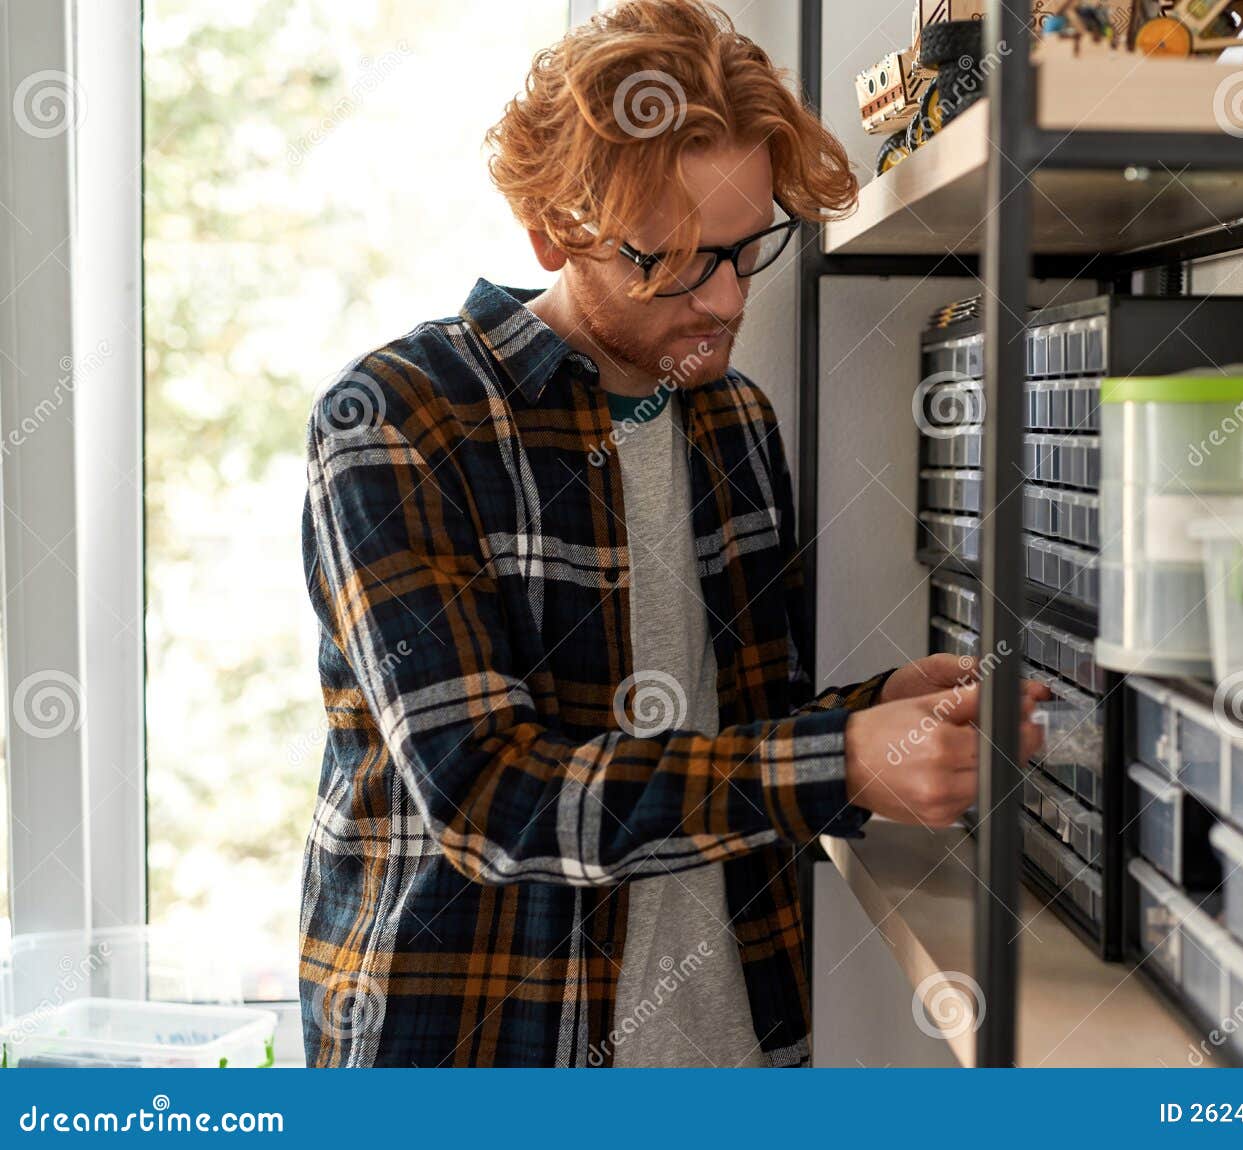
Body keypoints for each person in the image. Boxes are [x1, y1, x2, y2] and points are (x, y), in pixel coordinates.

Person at [298, 0, 1044, 1068]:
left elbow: (733, 727)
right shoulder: (397, 420)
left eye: (749, 249)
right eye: (681, 262)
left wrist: (875, 713)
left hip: (727, 1039)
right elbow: (486, 799)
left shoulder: (732, 417)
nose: (729, 301)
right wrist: (845, 759)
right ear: (553, 231)